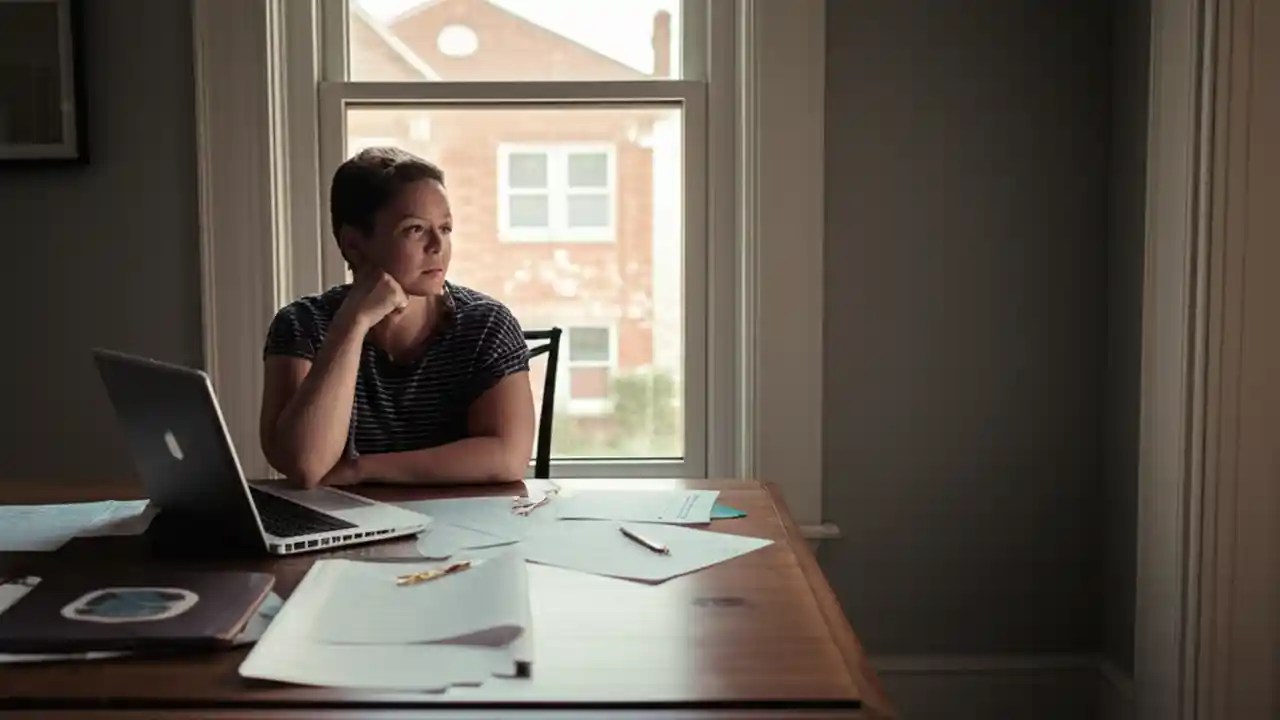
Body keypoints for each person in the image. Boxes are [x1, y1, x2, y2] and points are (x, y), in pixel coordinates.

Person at [259, 147, 534, 488]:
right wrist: (352, 323)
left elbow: (507, 457)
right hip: (343, 530)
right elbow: (305, 464)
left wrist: (362, 468)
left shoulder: (486, 324)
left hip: (466, 530)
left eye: (446, 229)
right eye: (415, 229)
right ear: (354, 245)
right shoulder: (301, 324)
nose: (437, 246)